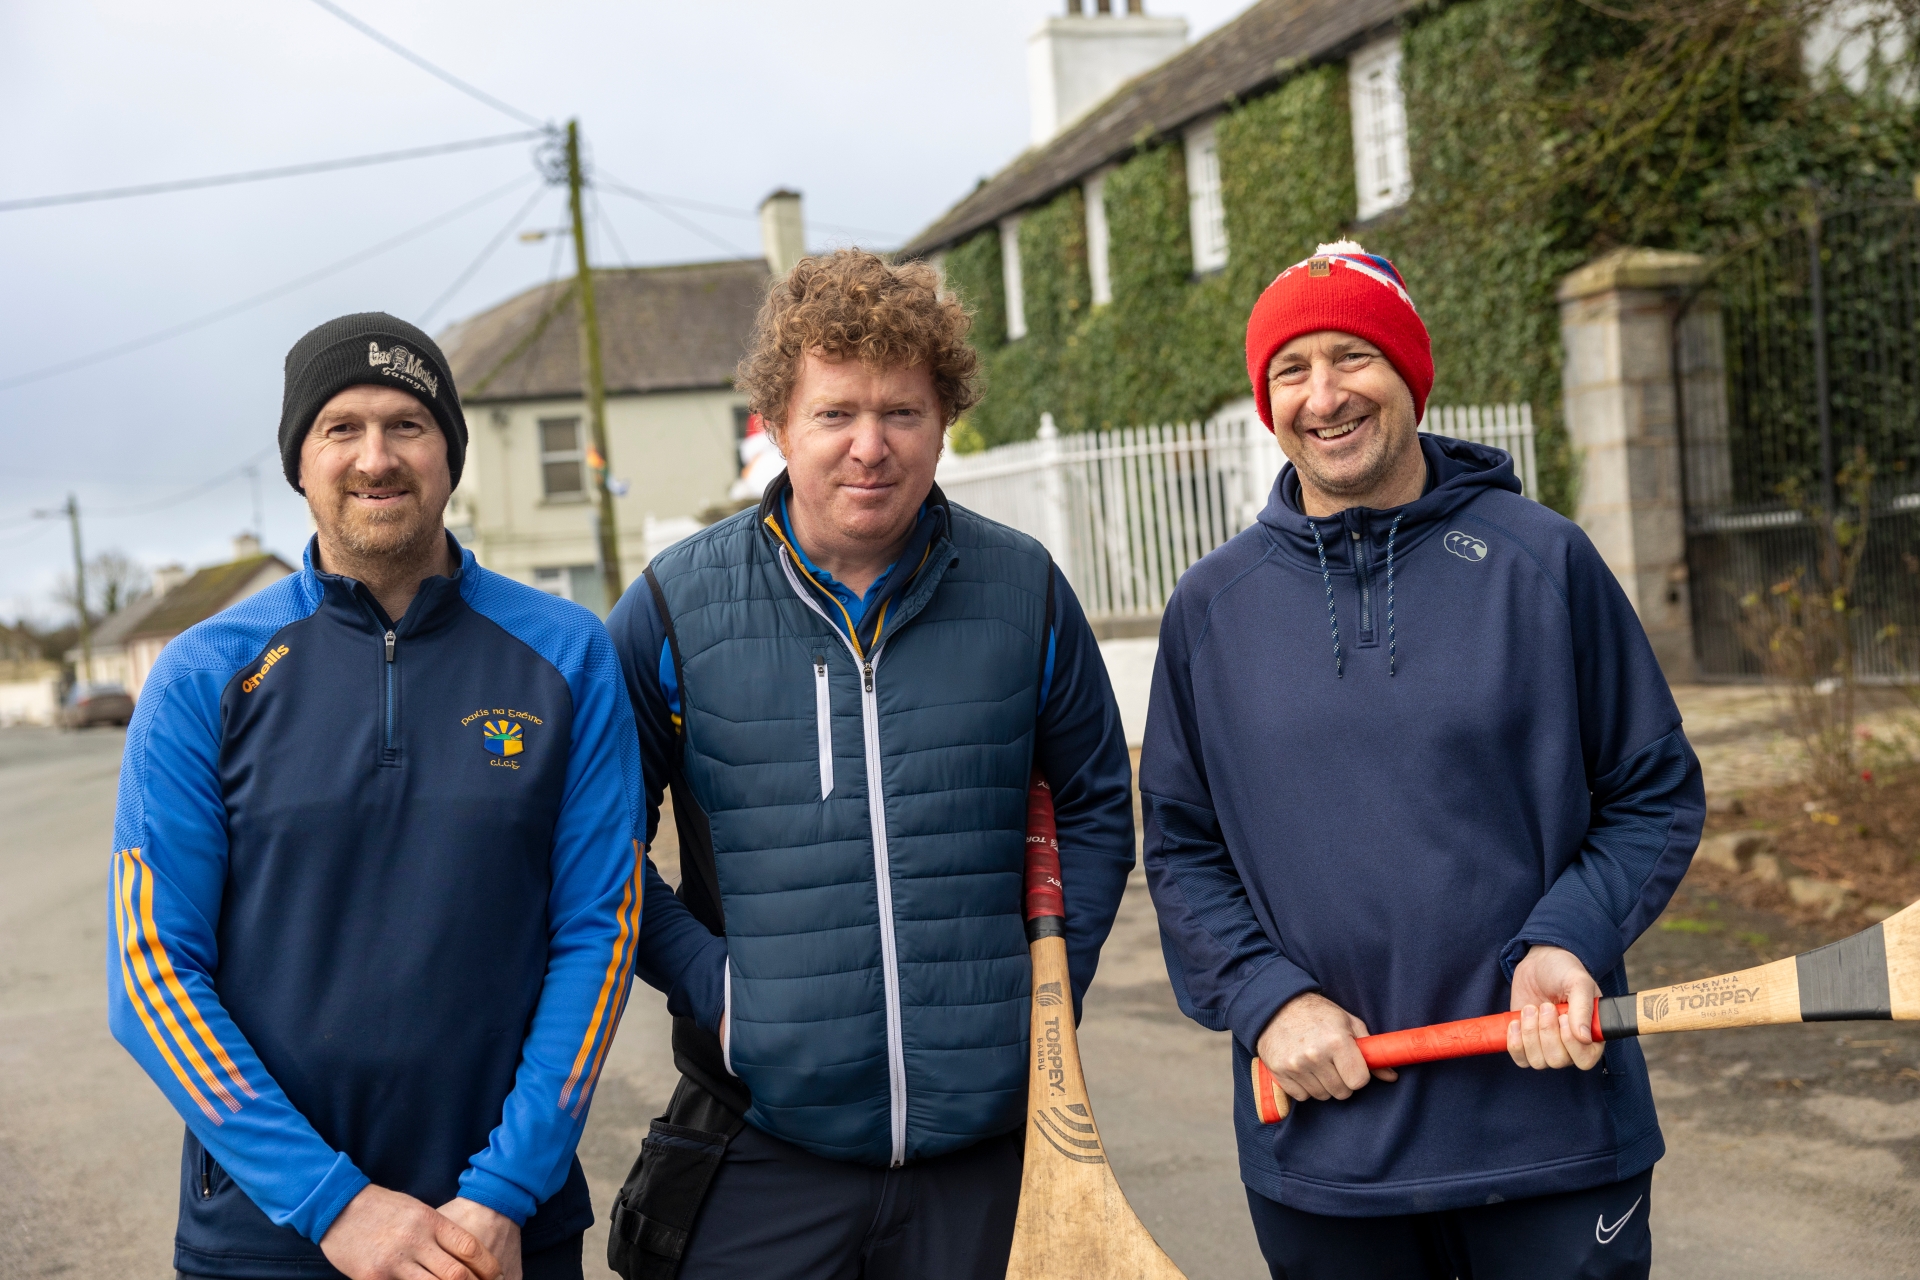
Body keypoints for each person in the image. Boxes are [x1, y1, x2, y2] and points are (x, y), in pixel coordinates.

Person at [1141, 242, 1704, 1279]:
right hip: (1325, 1138)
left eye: (1352, 357)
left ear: (1408, 371)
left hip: (1550, 1126)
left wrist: (1568, 938)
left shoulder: (1543, 561)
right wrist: (1268, 999)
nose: (1323, 396)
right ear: (1268, 402)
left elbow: (1652, 791)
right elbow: (1182, 848)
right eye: (1291, 370)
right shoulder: (1212, 607)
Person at [603, 249, 1135, 1280]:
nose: (870, 446)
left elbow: (1097, 804)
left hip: (984, 1157)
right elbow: (599, 842)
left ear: (944, 420)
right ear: (776, 424)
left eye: (902, 412)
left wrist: (1044, 990)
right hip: (762, 1144)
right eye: (836, 413)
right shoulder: (675, 605)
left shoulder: (1023, 587)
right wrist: (719, 991)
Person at [108, 313, 644, 1280]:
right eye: (340, 428)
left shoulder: (567, 656)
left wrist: (503, 1191)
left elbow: (598, 932)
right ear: (298, 462)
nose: (376, 458)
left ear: (450, 454)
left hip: (498, 1233)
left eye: (407, 425)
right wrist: (335, 1205)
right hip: (268, 1235)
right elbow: (152, 975)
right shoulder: (201, 676)